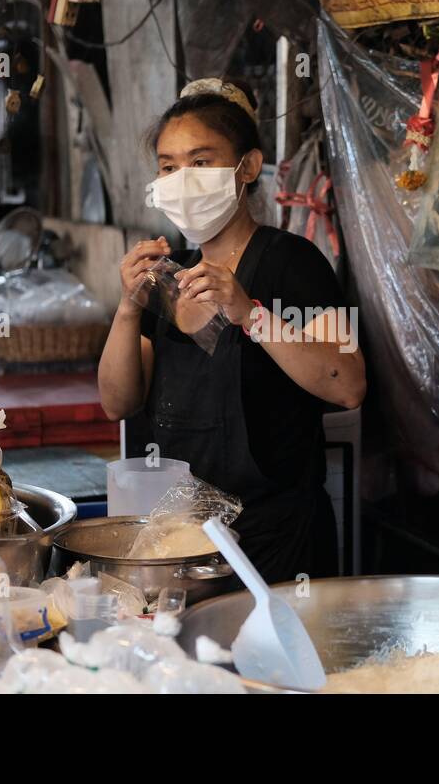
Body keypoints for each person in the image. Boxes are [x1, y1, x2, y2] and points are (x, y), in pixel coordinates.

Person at [99, 77, 366, 583]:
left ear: (246, 167)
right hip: (185, 543)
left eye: (201, 162)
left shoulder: (294, 262)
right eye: (169, 167)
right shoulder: (166, 275)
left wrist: (251, 314)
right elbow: (117, 402)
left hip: (280, 542)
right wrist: (129, 306)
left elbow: (349, 384)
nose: (183, 179)